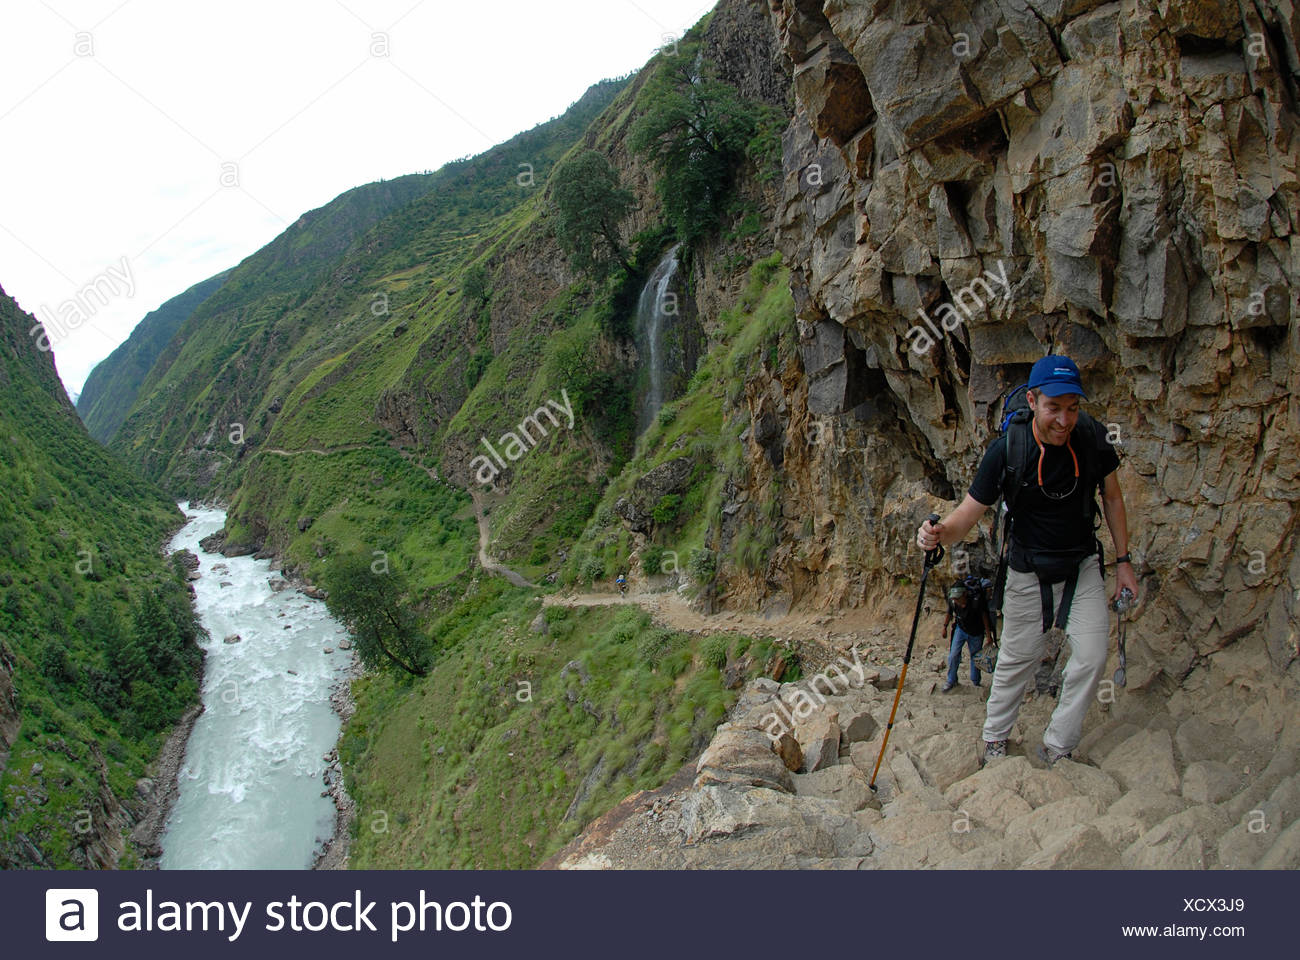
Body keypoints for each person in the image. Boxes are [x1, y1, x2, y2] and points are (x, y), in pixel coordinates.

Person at [916, 355, 1138, 767]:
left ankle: (1058, 744)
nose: (1064, 419)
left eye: (1072, 407)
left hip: (1081, 566)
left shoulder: (1092, 437)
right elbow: (967, 514)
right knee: (1017, 660)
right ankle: (995, 738)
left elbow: (1112, 496)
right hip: (1026, 569)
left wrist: (1124, 562)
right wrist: (937, 534)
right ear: (1033, 401)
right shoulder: (1008, 450)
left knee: (1091, 656)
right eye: (1054, 407)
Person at [941, 581, 994, 692]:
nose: (956, 601)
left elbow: (985, 616)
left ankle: (975, 681)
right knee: (953, 655)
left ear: (965, 594)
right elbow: (949, 613)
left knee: (975, 657)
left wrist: (989, 636)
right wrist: (945, 627)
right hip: (961, 629)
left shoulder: (976, 602)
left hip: (976, 633)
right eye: (955, 598)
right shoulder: (953, 601)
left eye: (958, 598)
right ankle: (951, 680)